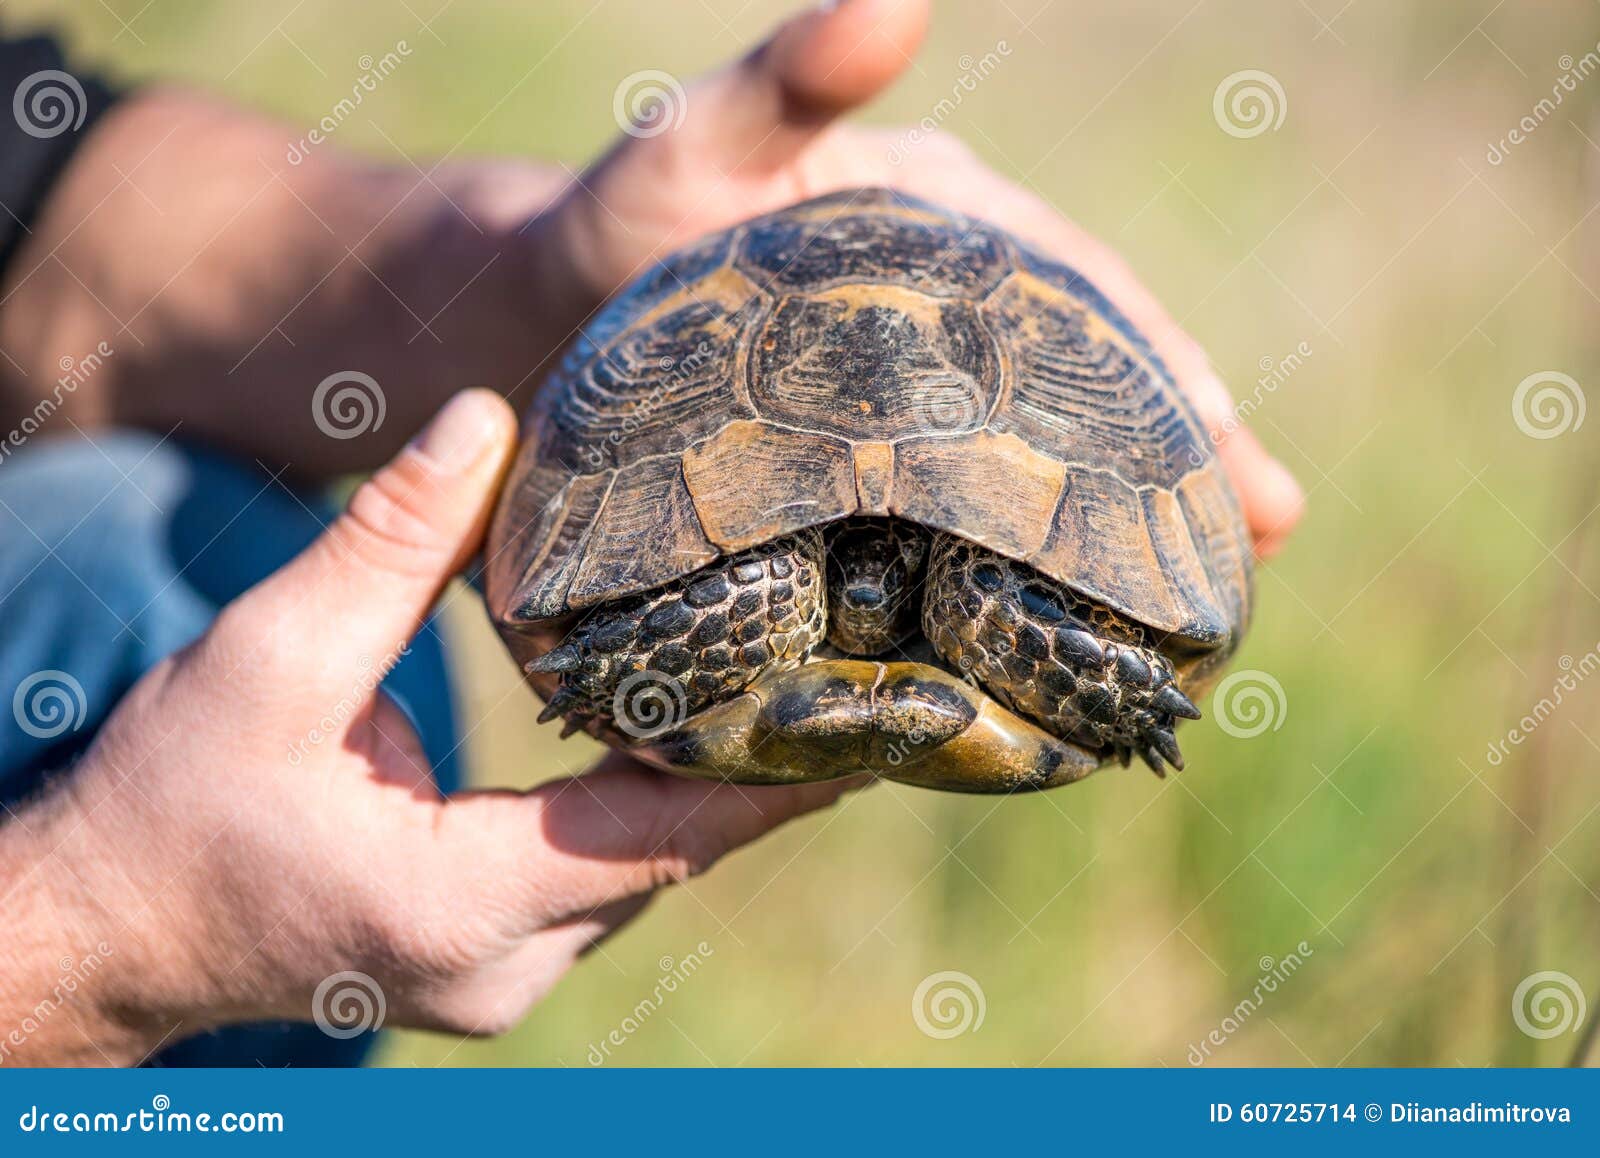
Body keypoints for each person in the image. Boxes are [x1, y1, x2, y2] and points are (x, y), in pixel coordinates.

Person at [0, 0, 1303, 1067]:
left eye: (893, 564)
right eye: (842, 562)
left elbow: (42, 190)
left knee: (138, 546)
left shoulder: (973, 591)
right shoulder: (767, 596)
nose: (865, 582)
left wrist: (531, 269)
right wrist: (107, 934)